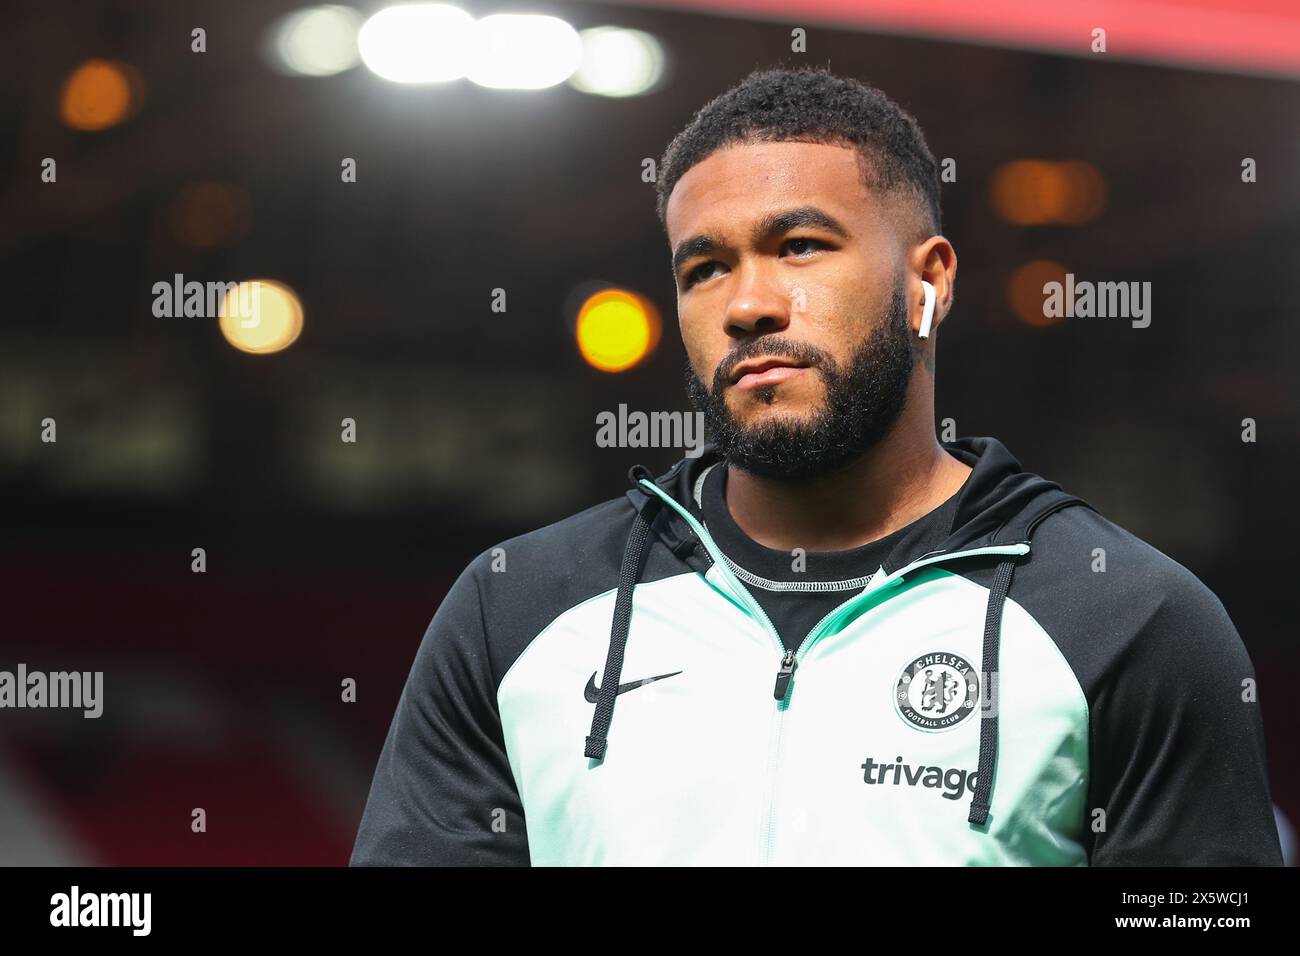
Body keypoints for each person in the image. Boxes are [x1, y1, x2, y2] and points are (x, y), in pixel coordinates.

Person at [350, 64, 1283, 866]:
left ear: (930, 280)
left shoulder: (1132, 620)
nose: (748, 303)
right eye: (703, 267)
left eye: (799, 246)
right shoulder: (516, 608)